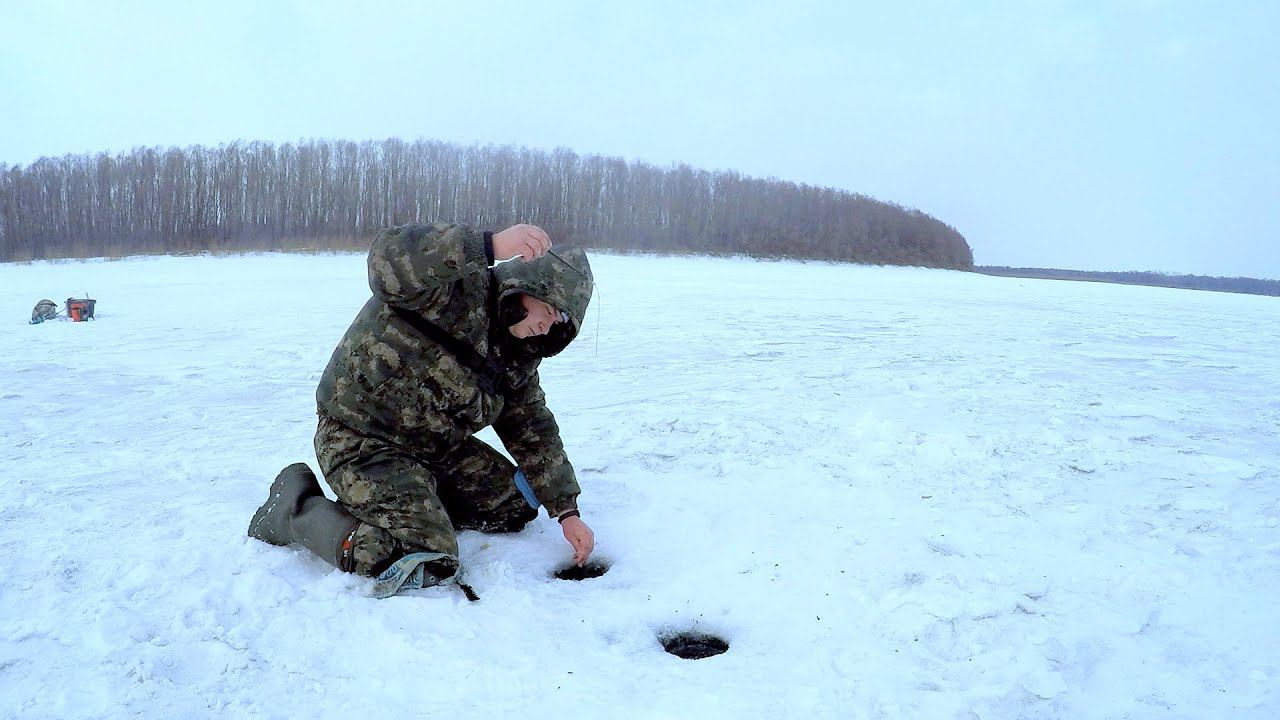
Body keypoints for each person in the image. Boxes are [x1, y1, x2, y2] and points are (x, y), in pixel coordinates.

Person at [247, 222, 596, 598]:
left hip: (430, 451)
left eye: (560, 321)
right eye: (548, 307)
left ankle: (409, 501)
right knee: (426, 555)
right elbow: (386, 261)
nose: (547, 324)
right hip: (361, 441)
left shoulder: (516, 359)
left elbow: (533, 429)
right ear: (523, 285)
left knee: (512, 507)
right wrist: (489, 245)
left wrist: (566, 511)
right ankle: (294, 511)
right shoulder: (449, 290)